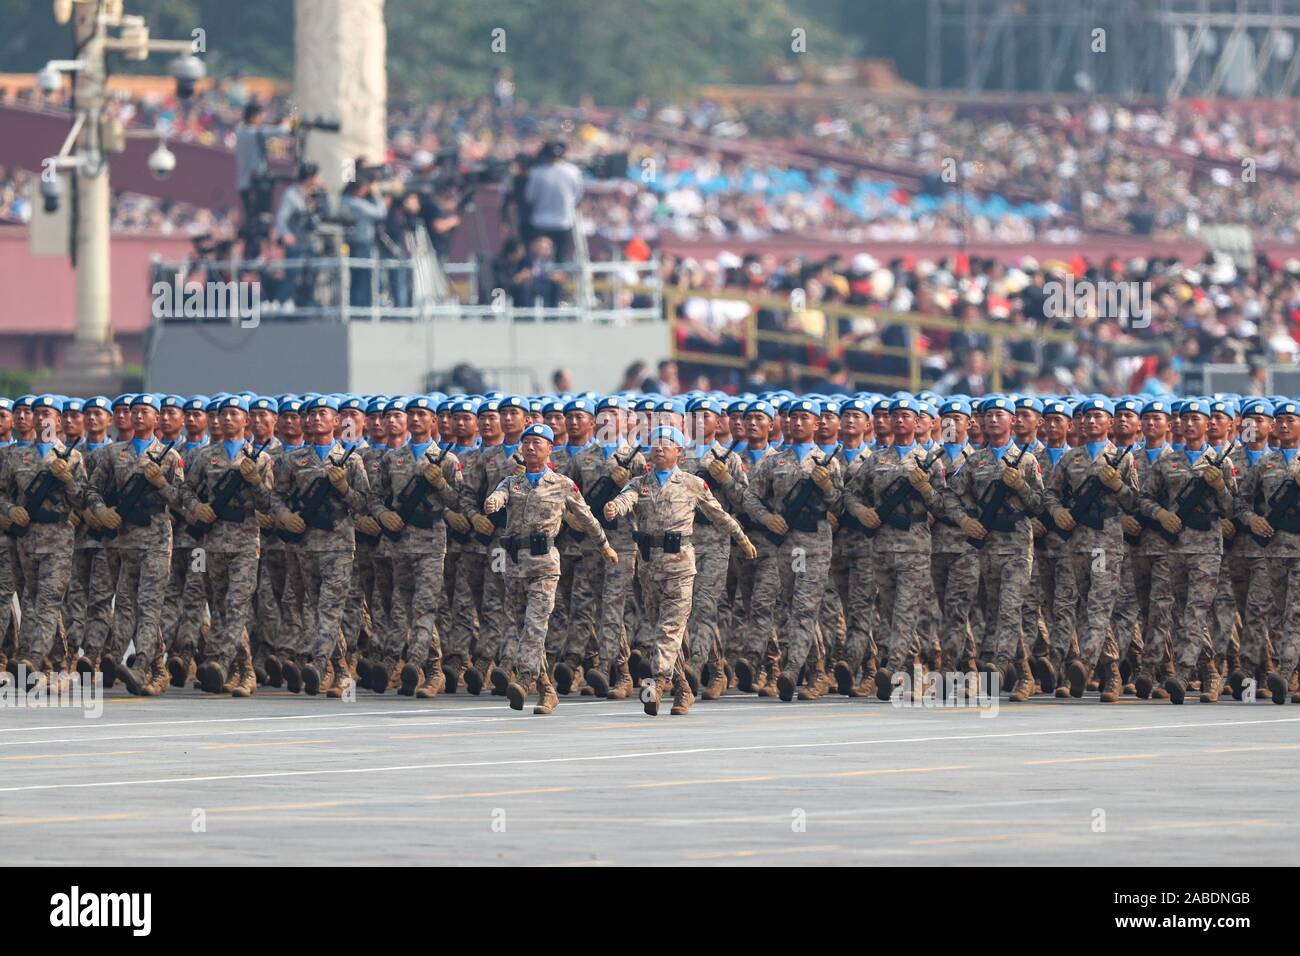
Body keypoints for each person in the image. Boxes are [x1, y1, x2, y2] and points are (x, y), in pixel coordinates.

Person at [483, 423, 615, 715]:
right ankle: (548, 690)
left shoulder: (563, 484)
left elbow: (587, 516)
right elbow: (497, 498)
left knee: (535, 624)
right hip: (515, 565)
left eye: (537, 443)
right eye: (526, 442)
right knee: (521, 629)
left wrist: (604, 545)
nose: (530, 448)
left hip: (544, 565)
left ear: (549, 448)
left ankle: (527, 679)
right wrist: (492, 502)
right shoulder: (511, 483)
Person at [524, 141, 583, 263]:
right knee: (561, 258)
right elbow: (578, 195)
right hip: (564, 220)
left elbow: (530, 197)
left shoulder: (537, 173)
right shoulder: (573, 171)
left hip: (541, 221)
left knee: (539, 258)